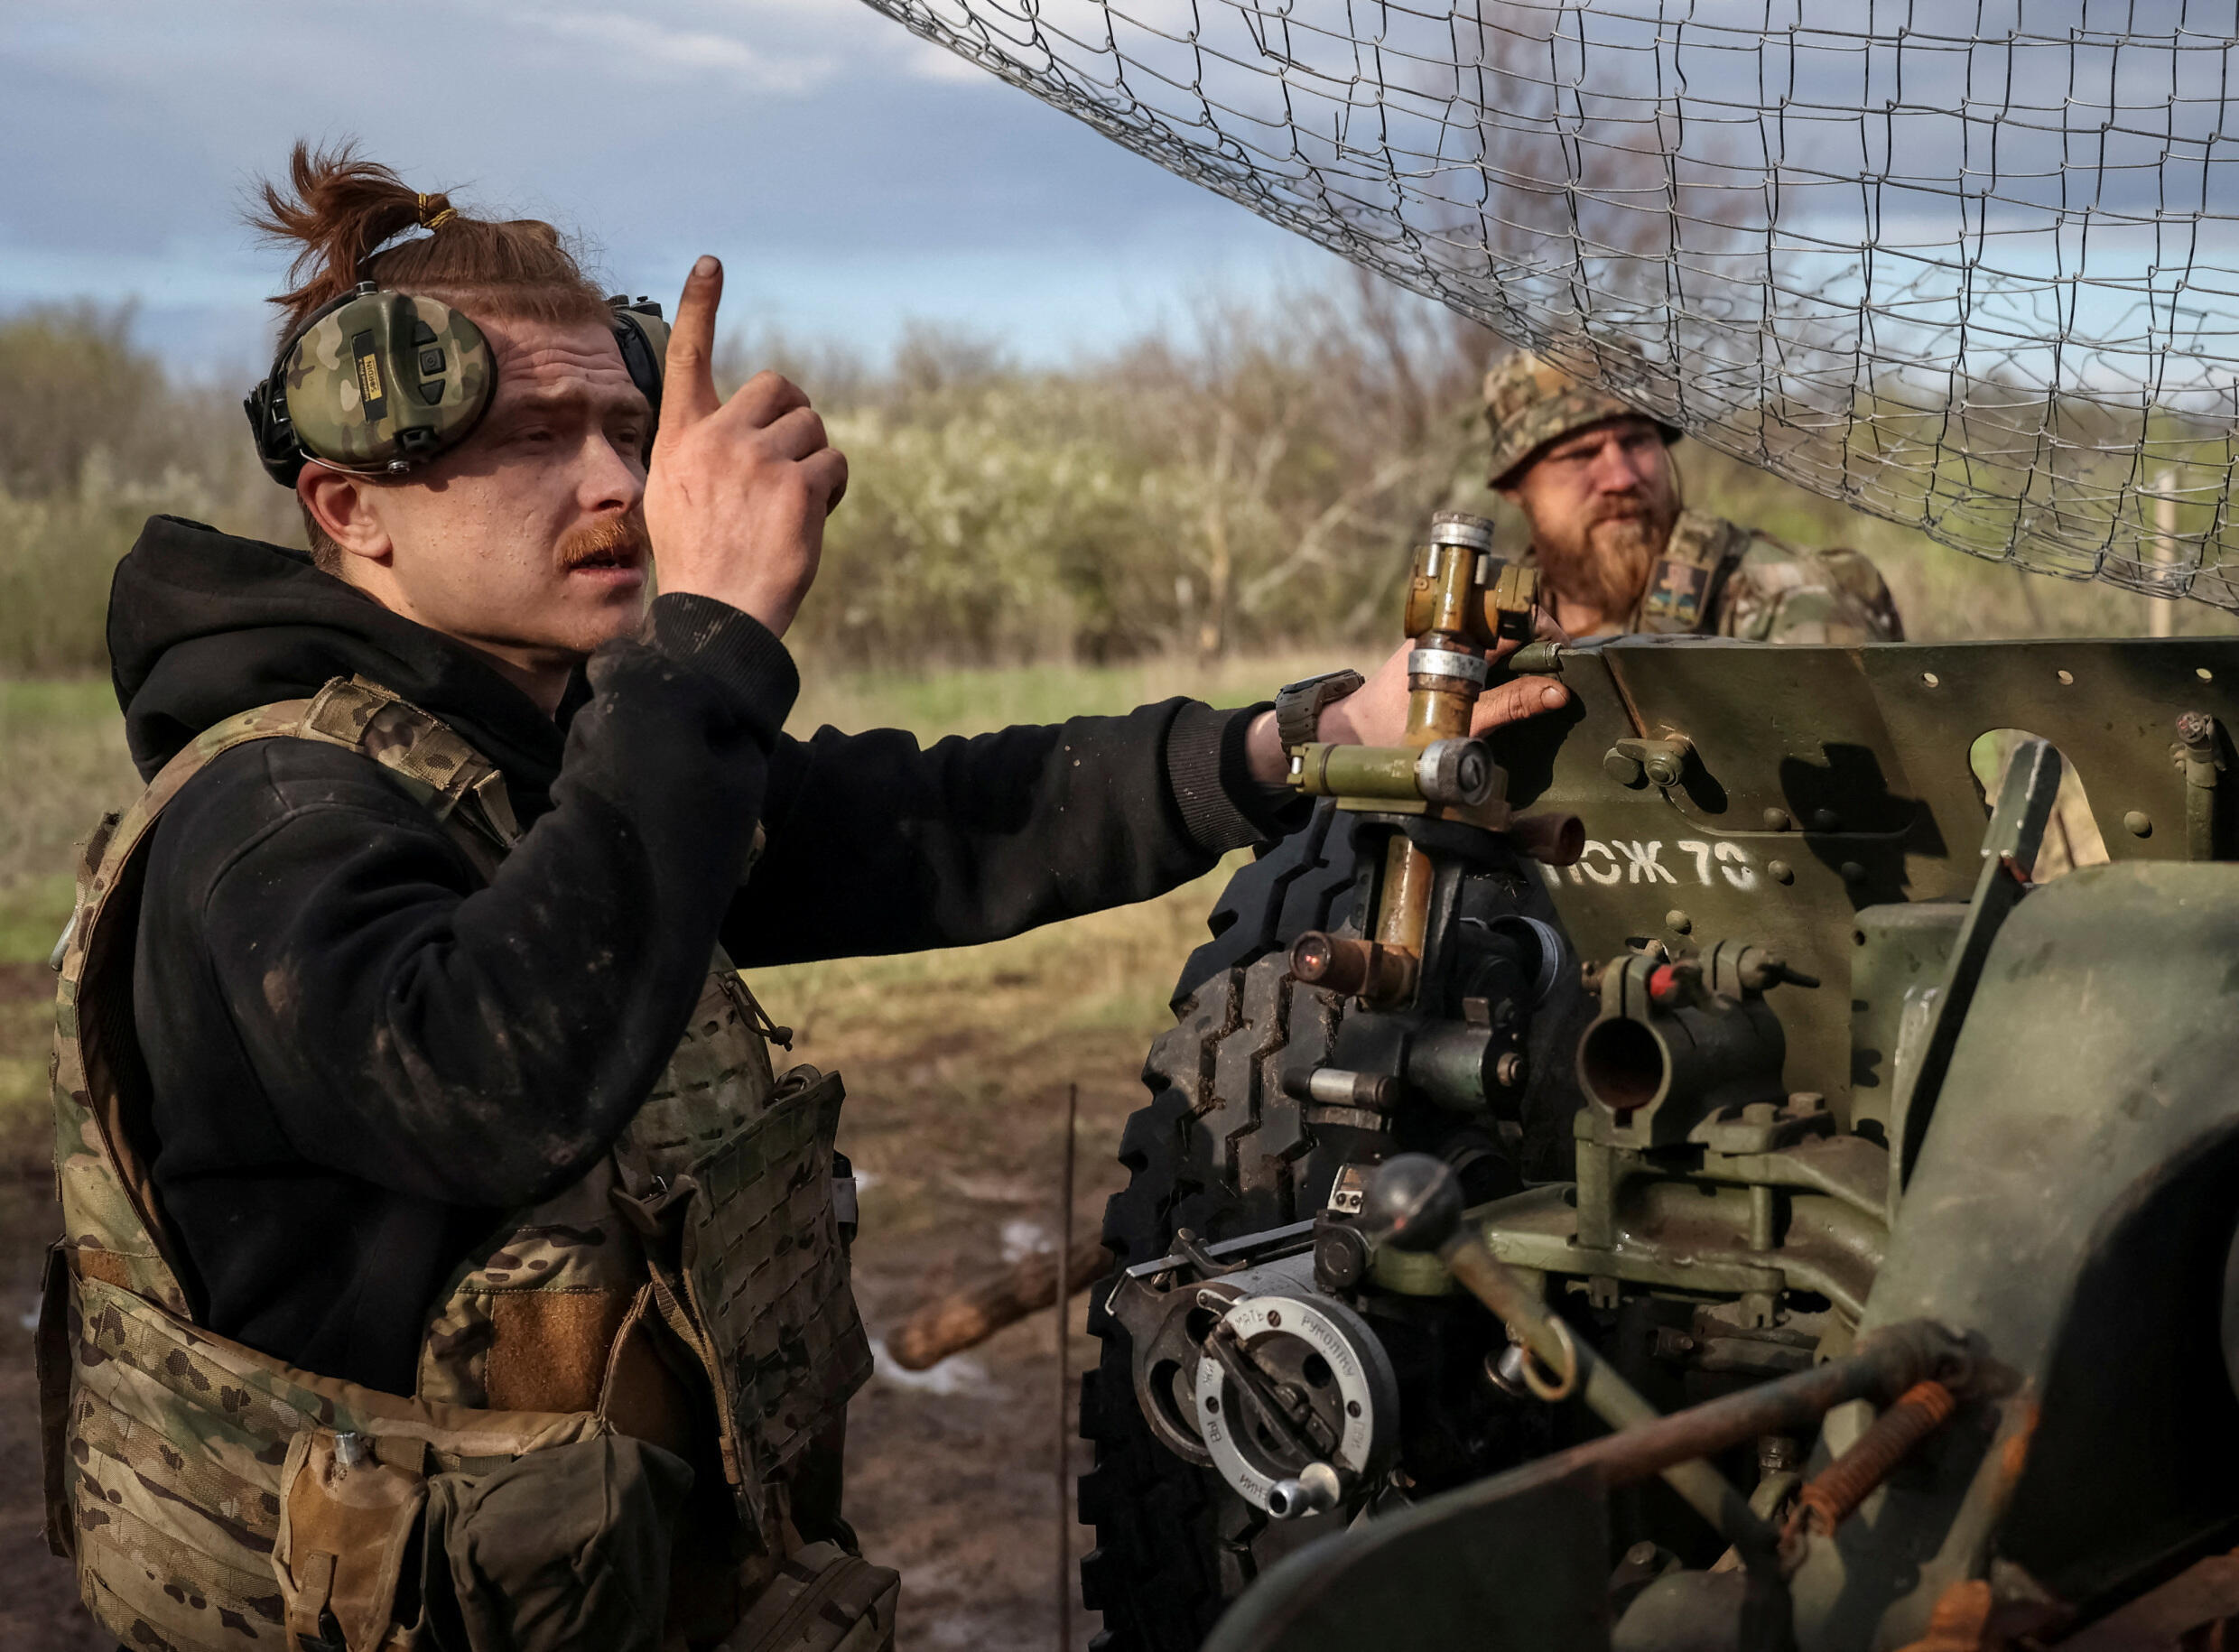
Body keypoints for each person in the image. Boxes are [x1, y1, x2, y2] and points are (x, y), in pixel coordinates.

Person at [39, 145, 1566, 1652]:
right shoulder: (271, 816)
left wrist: (1305, 740)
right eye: (530, 436)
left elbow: (934, 823)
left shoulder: (541, 768)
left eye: (627, 428)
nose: (613, 486)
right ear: (352, 507)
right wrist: (700, 634)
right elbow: (488, 1078)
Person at [1474, 351, 1905, 643]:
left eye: (1637, 443)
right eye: (1580, 455)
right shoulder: (1488, 617)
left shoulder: (1780, 599)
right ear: (1514, 487)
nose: (1621, 478)